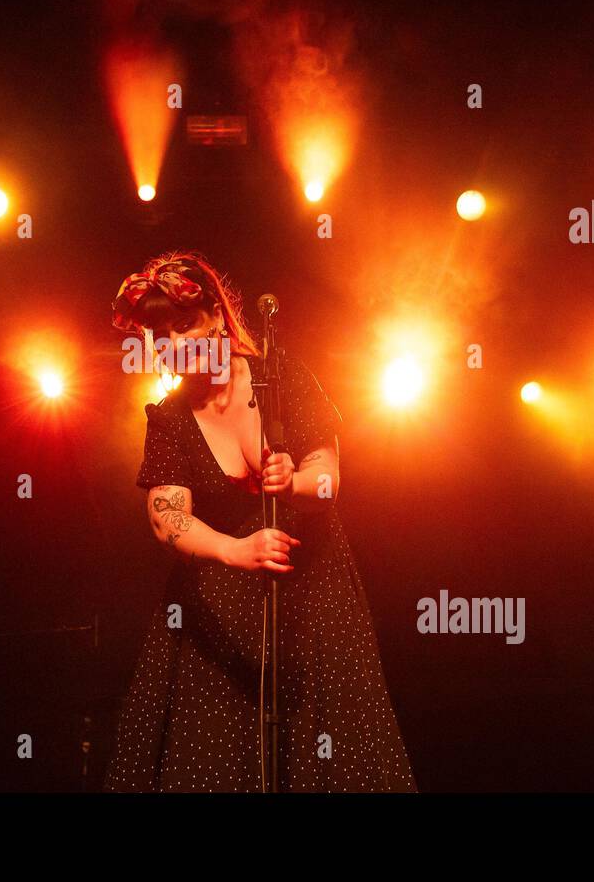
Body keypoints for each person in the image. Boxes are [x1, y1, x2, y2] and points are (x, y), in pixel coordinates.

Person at [103, 252, 417, 792]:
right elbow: (166, 517)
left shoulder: (285, 377)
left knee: (335, 751)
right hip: (220, 612)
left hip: (314, 593)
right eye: (160, 336)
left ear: (217, 320)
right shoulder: (169, 418)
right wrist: (236, 550)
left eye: (184, 327)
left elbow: (329, 482)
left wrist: (293, 483)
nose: (173, 345)